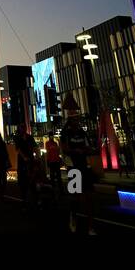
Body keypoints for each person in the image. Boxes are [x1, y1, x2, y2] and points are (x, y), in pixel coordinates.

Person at [59, 95, 96, 234]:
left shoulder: (82, 132)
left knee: (89, 197)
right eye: (74, 118)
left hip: (84, 165)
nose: (76, 121)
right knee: (75, 196)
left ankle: (91, 226)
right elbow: (65, 148)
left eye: (77, 118)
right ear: (70, 119)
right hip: (73, 167)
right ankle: (73, 217)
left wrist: (88, 150)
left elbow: (88, 147)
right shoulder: (65, 133)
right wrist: (77, 150)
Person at [44, 132, 62, 197]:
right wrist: (48, 160)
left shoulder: (55, 143)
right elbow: (48, 152)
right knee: (52, 176)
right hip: (52, 161)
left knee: (58, 176)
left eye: (52, 136)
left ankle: (60, 190)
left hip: (56, 161)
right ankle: (54, 190)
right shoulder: (47, 143)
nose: (51, 137)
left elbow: (58, 151)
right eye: (50, 136)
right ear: (49, 136)